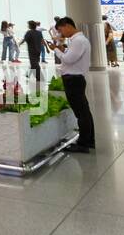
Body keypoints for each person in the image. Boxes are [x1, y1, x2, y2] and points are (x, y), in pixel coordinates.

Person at [49, 17, 94, 152]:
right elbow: (72, 57)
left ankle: (84, 143)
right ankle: (89, 139)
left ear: (67, 26)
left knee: (81, 112)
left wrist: (56, 49)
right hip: (76, 78)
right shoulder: (78, 40)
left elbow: (68, 60)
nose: (61, 33)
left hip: (73, 80)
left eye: (61, 29)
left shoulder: (78, 41)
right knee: (84, 111)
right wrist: (62, 48)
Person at [22, 20, 45, 90]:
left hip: (32, 51)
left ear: (30, 26)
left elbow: (25, 39)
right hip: (38, 50)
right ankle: (28, 75)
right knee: (34, 64)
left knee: (35, 64)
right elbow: (42, 40)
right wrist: (46, 47)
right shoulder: (39, 33)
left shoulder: (29, 32)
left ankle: (40, 78)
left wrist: (19, 43)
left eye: (28, 25)